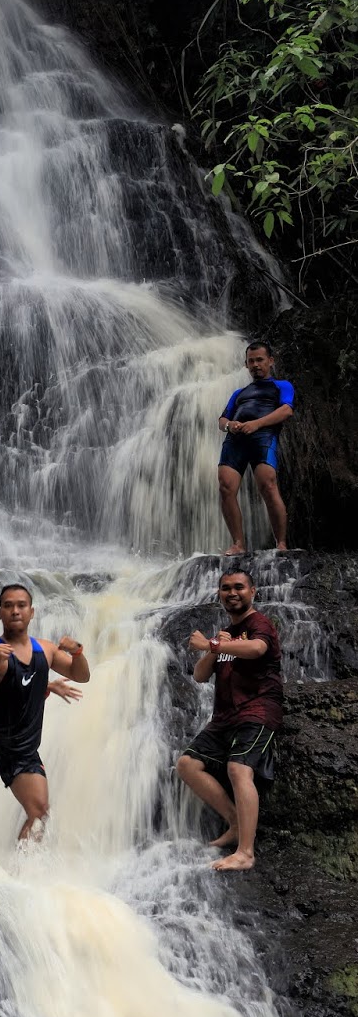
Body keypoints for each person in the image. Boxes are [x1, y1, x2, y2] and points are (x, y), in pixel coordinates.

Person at [0, 583, 90, 866]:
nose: (15, 610)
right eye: (8, 606)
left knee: (40, 812)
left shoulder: (44, 650)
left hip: (24, 749)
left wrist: (79, 652)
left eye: (21, 605)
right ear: (0, 613)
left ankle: (18, 871)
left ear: (31, 612)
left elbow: (81, 676)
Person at [176, 567, 283, 872]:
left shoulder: (260, 624)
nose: (232, 593)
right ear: (219, 594)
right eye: (225, 588)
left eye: (239, 587)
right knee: (186, 765)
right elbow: (199, 676)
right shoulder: (226, 634)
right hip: (224, 718)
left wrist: (213, 645)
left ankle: (246, 853)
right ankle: (235, 821)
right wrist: (215, 647)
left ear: (253, 592)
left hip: (257, 711)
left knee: (238, 768)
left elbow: (257, 648)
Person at [218, 341, 295, 555]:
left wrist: (257, 424)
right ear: (246, 364)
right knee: (225, 487)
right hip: (236, 438)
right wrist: (228, 425)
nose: (255, 365)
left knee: (268, 486)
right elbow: (222, 418)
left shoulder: (282, 386)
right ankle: (238, 544)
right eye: (251, 361)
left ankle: (280, 543)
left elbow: (286, 411)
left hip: (263, 436)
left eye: (260, 360)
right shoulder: (238, 393)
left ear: (270, 361)